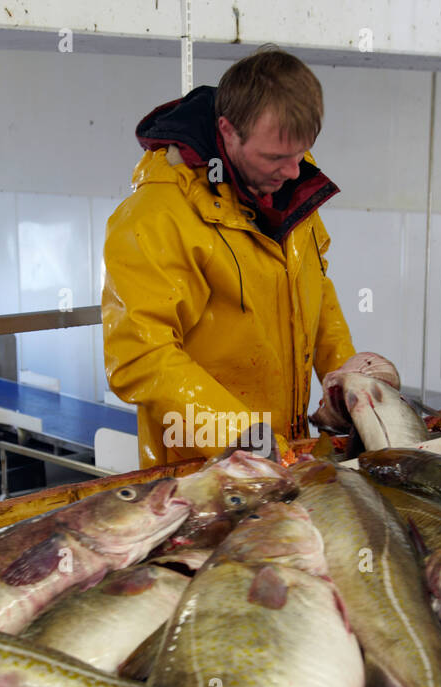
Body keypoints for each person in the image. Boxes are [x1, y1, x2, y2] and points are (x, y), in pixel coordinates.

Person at [101, 46, 371, 467]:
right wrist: (244, 439)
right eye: (276, 157)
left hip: (286, 457)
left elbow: (316, 285)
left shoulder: (286, 179)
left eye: (302, 153)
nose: (294, 171)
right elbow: (140, 356)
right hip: (203, 473)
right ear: (227, 131)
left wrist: (347, 382)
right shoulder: (155, 216)